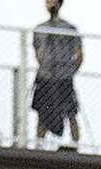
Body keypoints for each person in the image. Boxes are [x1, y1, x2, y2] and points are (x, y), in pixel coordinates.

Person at [30, 0, 83, 146]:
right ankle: (38, 145)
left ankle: (74, 145)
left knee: (70, 111)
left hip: (64, 77)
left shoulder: (69, 28)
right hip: (45, 76)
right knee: (42, 111)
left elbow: (79, 53)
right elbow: (37, 51)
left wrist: (70, 71)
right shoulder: (40, 28)